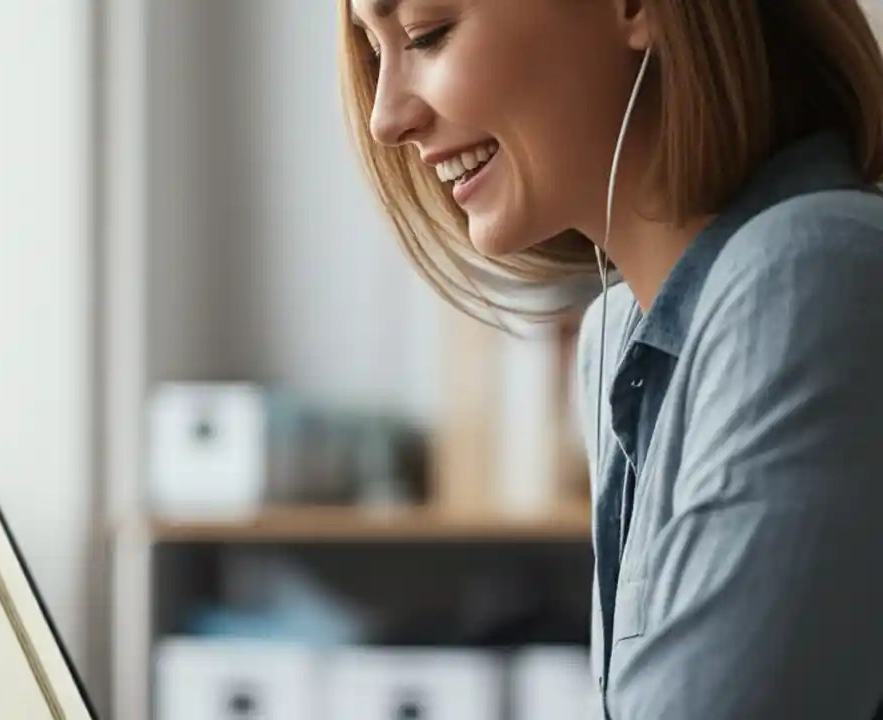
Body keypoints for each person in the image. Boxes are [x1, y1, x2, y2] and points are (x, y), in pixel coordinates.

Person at [340, 1, 883, 717]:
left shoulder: (811, 276)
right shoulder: (619, 334)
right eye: (376, 55)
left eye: (425, 35)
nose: (386, 118)